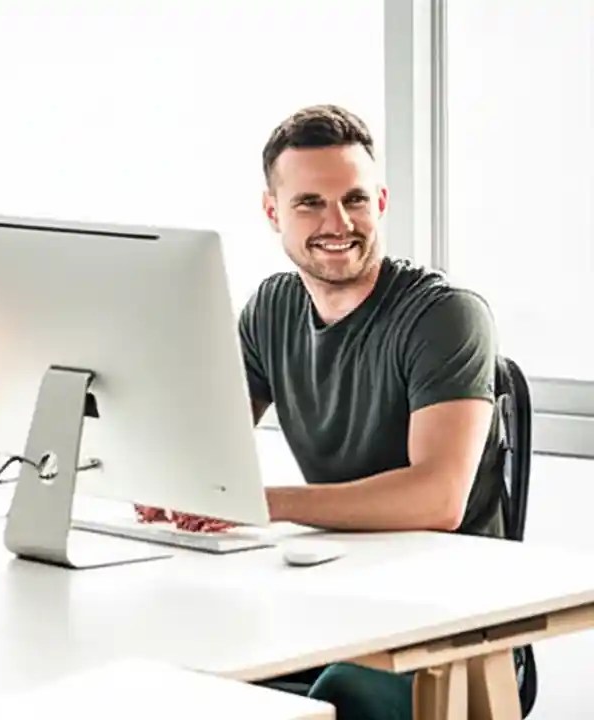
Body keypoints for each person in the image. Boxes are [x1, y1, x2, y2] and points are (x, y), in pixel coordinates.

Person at [139, 105, 504, 720]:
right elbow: (206, 445)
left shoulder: (446, 316)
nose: (338, 223)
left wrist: (256, 502)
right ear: (272, 211)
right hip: (332, 602)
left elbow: (438, 498)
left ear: (381, 201)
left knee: (330, 696)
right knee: (170, 671)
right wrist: (166, 483)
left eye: (355, 200)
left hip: (445, 622)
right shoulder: (272, 308)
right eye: (310, 202)